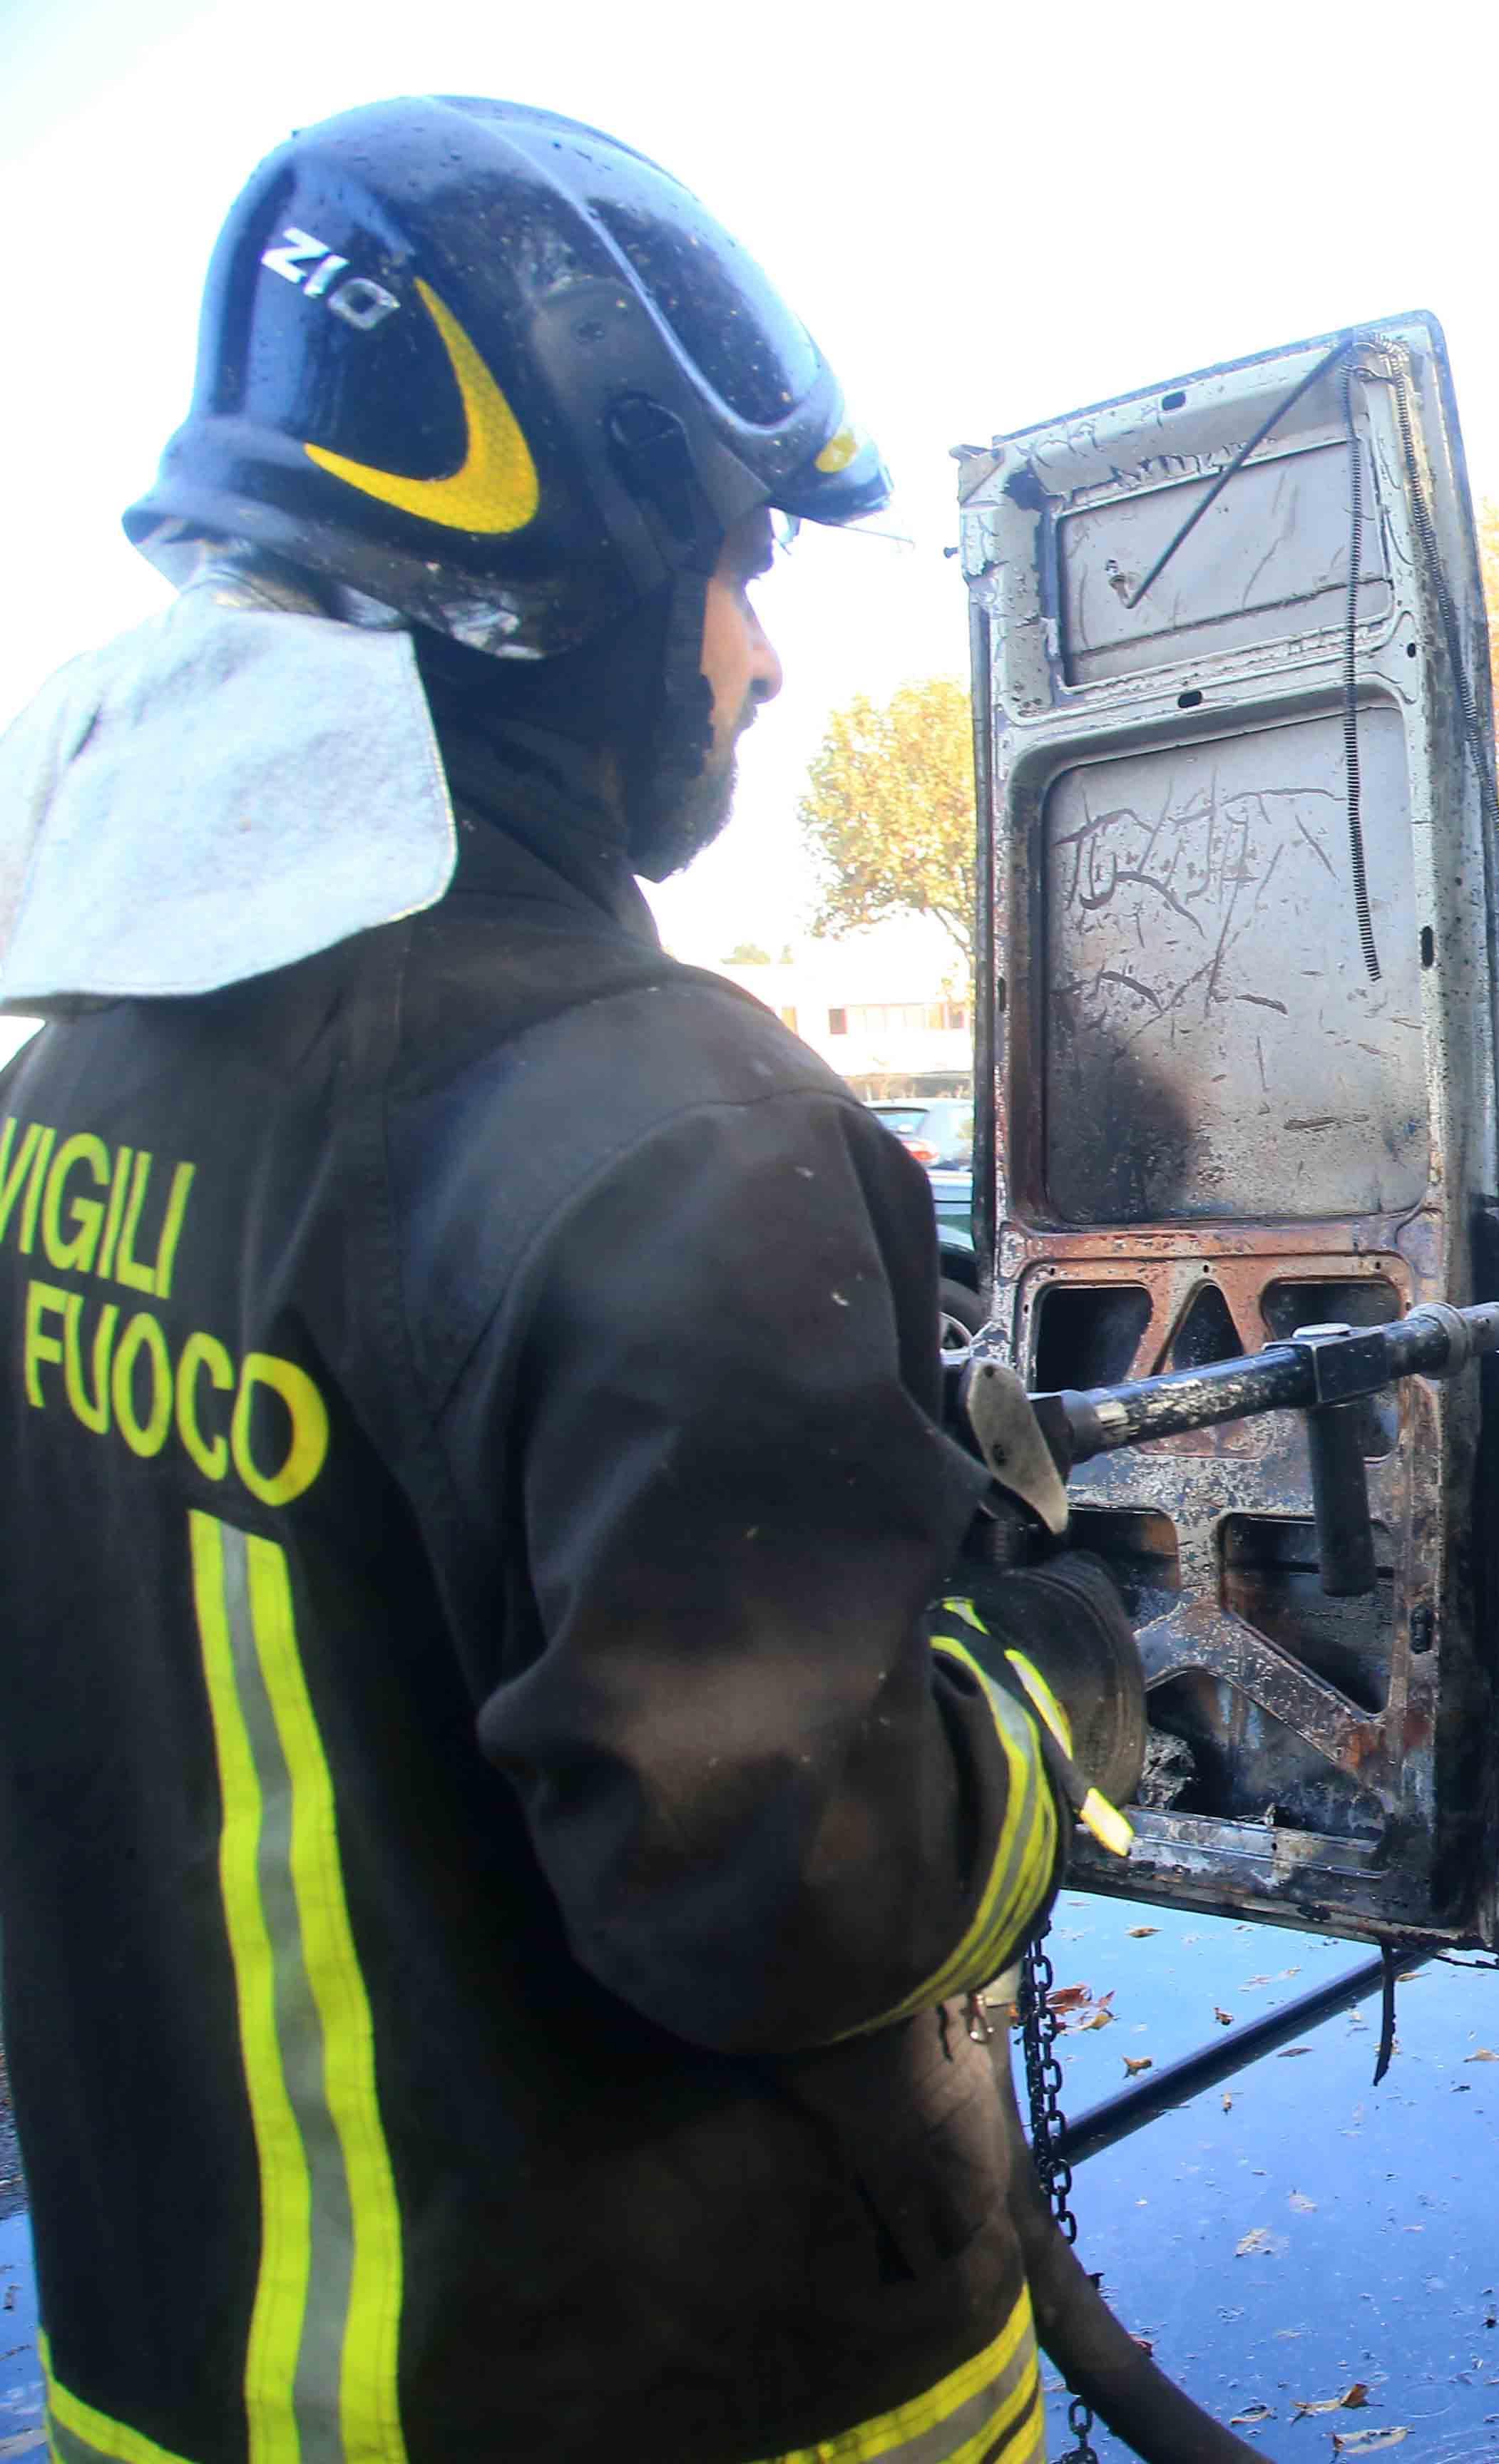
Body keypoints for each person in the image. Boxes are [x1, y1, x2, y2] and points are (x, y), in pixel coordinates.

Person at [0, 98, 1112, 2464]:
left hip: (174, 2389)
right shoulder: (661, 1120)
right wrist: (1054, 1671)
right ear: (571, 589)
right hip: (694, 2398)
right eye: (735, 567)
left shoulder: (74, 1091)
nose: (769, 661)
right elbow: (794, 1898)